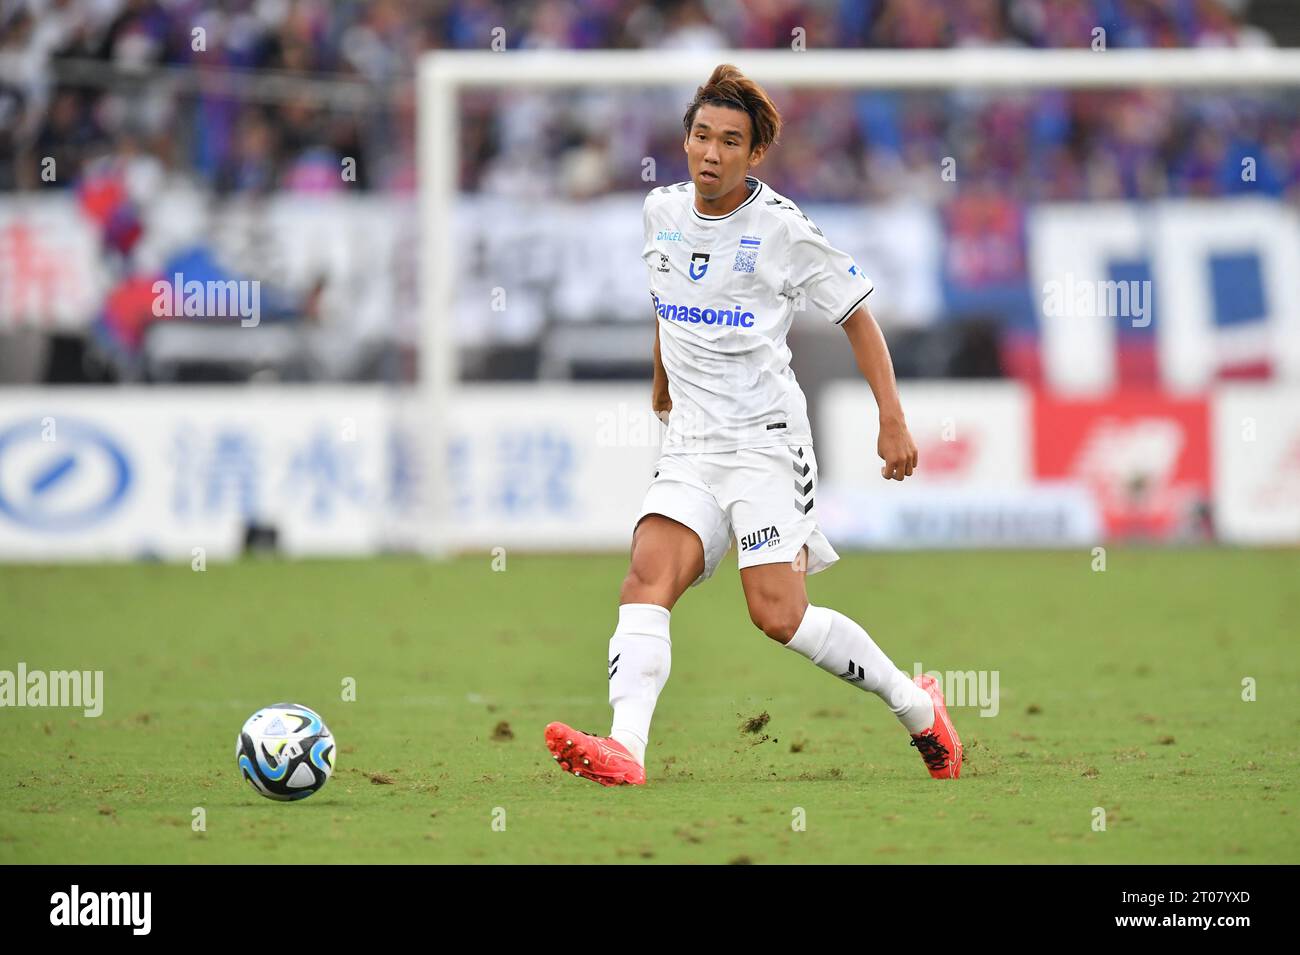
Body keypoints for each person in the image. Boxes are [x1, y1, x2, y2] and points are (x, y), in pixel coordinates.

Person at [544, 64, 961, 785]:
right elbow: (667, 300)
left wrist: (892, 418)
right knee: (646, 577)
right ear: (684, 140)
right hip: (693, 442)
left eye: (729, 142)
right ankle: (627, 749)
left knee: (779, 615)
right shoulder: (659, 213)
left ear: (753, 154)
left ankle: (917, 706)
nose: (711, 153)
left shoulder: (781, 229)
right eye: (701, 135)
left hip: (768, 442)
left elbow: (858, 316)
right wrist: (661, 375)